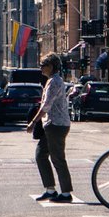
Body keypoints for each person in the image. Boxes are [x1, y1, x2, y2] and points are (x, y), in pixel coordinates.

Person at [29, 55, 74, 203]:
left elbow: (46, 105)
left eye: (43, 64)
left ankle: (66, 193)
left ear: (51, 66)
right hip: (52, 124)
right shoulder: (51, 81)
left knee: (58, 158)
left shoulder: (54, 82)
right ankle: (50, 190)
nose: (40, 67)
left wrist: (33, 122)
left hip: (57, 125)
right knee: (41, 155)